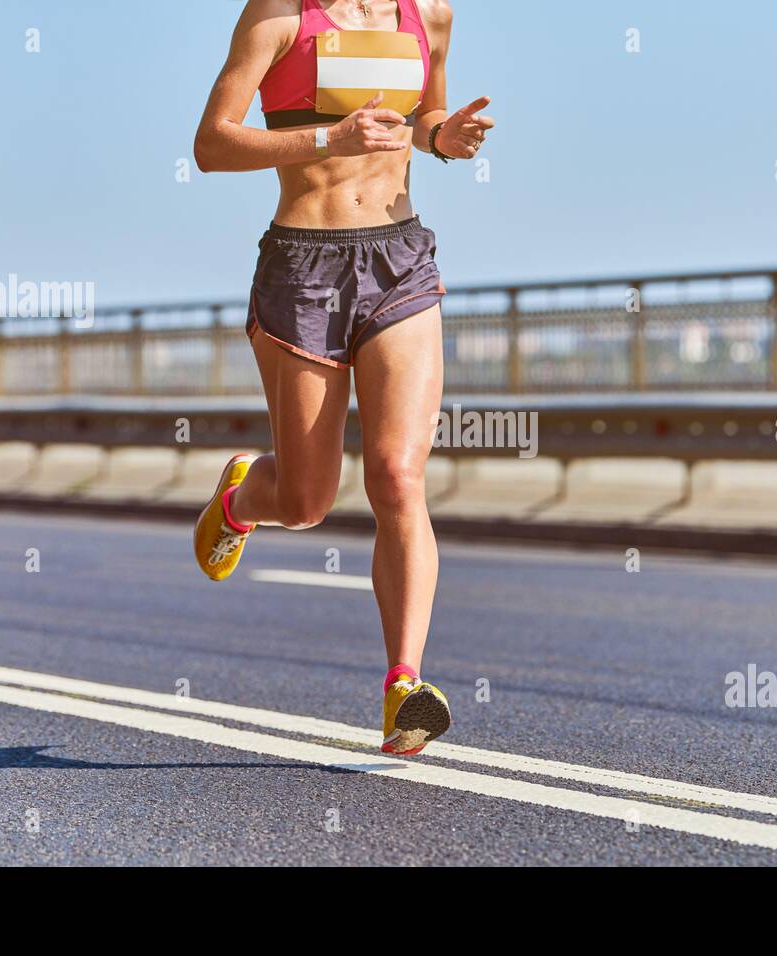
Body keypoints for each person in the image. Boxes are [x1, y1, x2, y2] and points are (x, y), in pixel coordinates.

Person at [190, 0, 492, 756]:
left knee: (397, 477)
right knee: (307, 500)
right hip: (304, 265)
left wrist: (444, 138)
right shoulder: (278, 14)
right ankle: (243, 497)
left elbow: (424, 118)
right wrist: (329, 137)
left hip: (399, 261)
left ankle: (404, 686)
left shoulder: (431, 15)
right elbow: (212, 144)